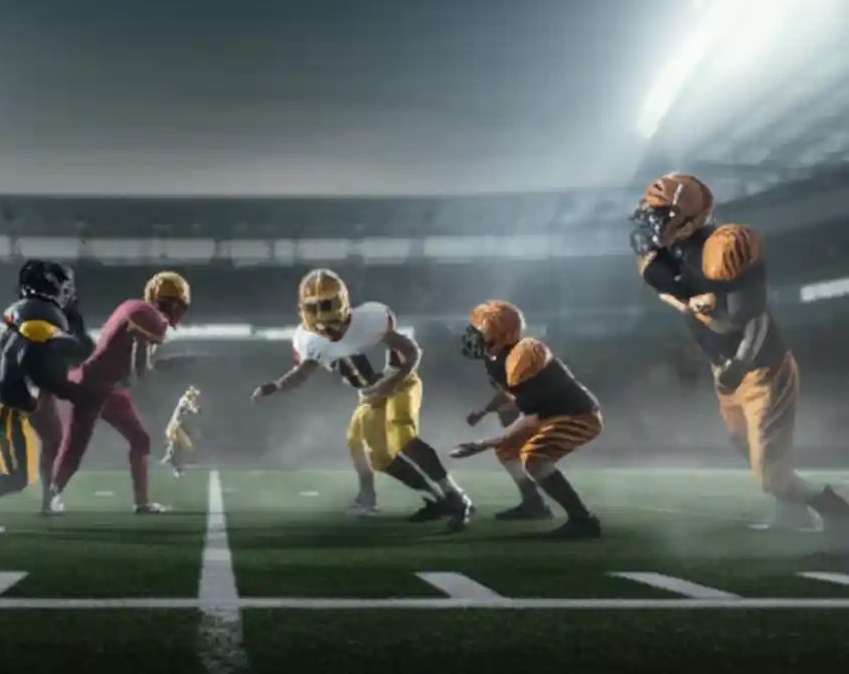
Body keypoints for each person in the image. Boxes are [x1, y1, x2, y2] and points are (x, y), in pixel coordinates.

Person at [632, 172, 849, 545]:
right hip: (726, 367)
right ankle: (792, 514)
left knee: (771, 475)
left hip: (761, 366)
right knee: (743, 446)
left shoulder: (725, 247)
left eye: (659, 216)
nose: (651, 224)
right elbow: (679, 292)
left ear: (687, 217)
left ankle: (836, 510)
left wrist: (739, 364)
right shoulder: (667, 257)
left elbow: (753, 318)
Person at [251, 268, 473, 530]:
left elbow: (412, 351)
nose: (323, 318)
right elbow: (302, 373)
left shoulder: (370, 319)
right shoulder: (307, 339)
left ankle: (457, 497)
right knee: (379, 458)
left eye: (327, 305)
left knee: (402, 438)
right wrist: (275, 386)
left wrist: (392, 380)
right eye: (315, 307)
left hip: (400, 384)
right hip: (369, 396)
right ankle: (437, 498)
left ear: (341, 302)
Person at [0, 260, 90, 531]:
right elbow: (44, 364)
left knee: (18, 469)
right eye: (64, 287)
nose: (69, 293)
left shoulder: (21, 311)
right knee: (18, 475)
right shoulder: (47, 315)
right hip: (16, 400)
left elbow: (20, 351)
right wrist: (74, 391)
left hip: (9, 396)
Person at [452, 301, 603, 538]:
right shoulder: (499, 358)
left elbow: (530, 416)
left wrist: (483, 444)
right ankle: (533, 504)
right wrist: (485, 410)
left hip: (577, 415)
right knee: (507, 450)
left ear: (501, 332)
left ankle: (583, 520)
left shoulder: (526, 353)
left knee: (533, 457)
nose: (476, 333)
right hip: (549, 414)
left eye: (483, 328)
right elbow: (509, 392)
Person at [48, 272, 192, 514]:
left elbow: (123, 357)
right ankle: (51, 494)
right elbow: (139, 370)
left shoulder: (134, 306)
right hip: (92, 386)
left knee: (140, 438)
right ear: (172, 302)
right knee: (75, 445)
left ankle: (142, 503)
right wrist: (165, 372)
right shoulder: (149, 317)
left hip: (104, 384)